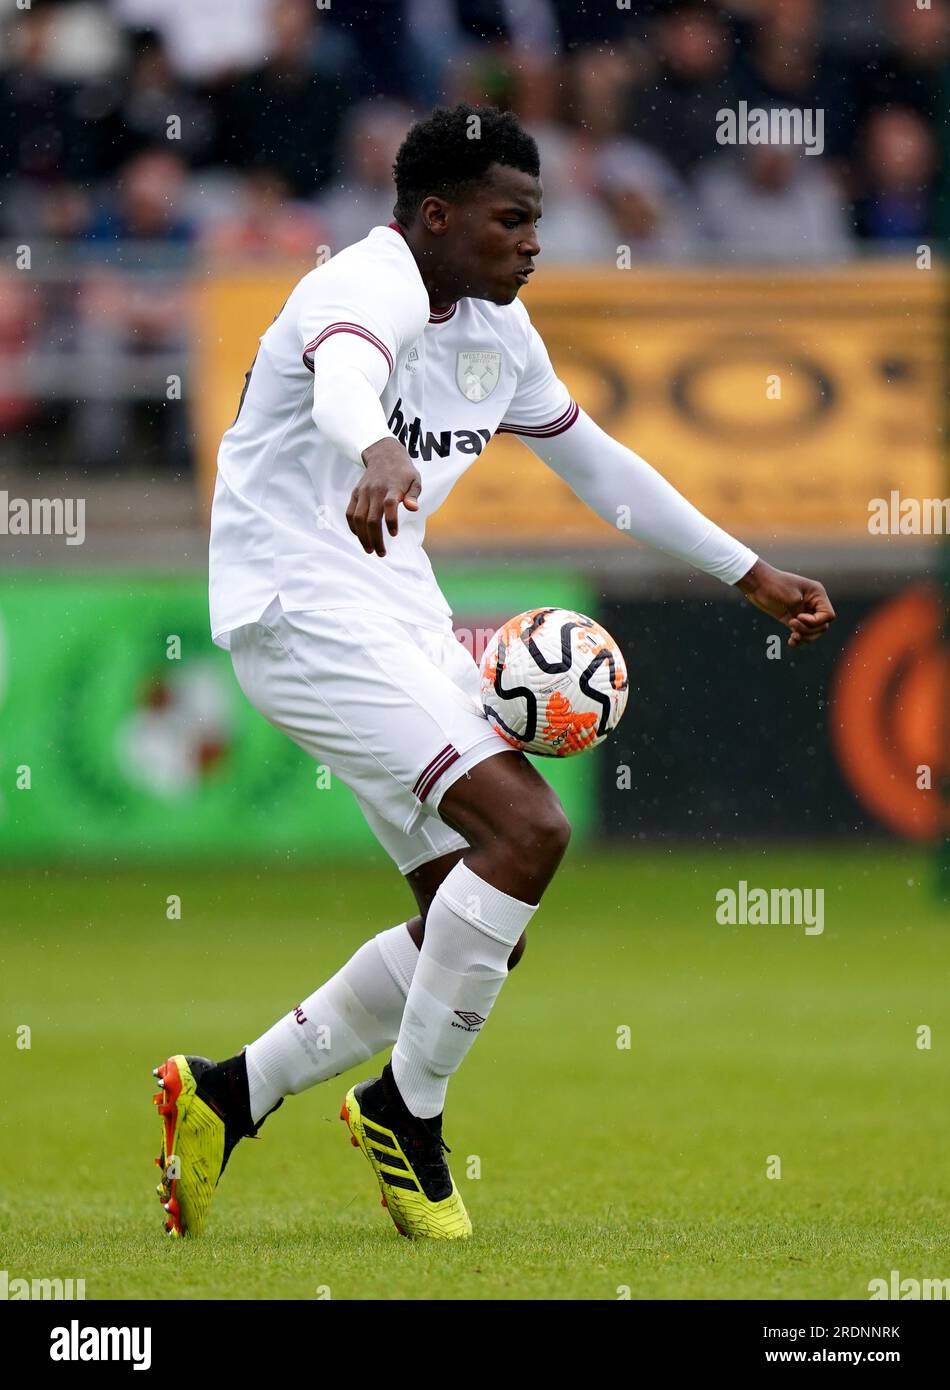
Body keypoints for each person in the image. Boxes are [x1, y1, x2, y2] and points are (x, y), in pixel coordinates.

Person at [151, 104, 835, 1241]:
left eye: (538, 220)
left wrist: (745, 570)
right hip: (300, 608)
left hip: (391, 609)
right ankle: (403, 1118)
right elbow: (343, 384)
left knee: (477, 917)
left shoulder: (498, 335)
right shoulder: (355, 289)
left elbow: (598, 468)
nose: (531, 242)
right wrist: (374, 449)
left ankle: (228, 1092)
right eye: (509, 220)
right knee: (529, 832)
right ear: (434, 216)